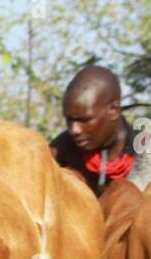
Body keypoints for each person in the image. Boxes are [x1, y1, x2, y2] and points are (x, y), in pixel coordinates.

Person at [48, 65, 138, 196]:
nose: (74, 130)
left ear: (113, 111)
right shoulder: (61, 149)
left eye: (84, 120)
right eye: (69, 120)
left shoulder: (148, 153)